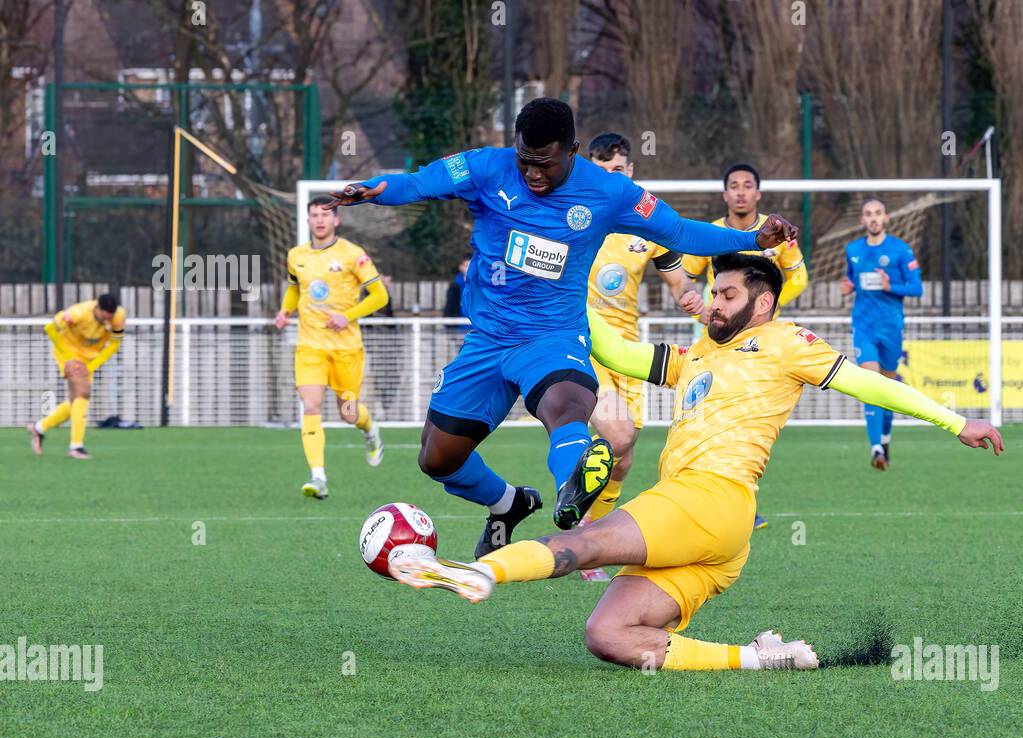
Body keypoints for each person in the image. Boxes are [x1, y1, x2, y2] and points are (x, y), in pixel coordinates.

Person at [388, 254, 1003, 672]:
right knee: (609, 636)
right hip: (714, 535)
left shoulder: (787, 342)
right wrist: (559, 307)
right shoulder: (698, 352)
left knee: (590, 542)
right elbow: (615, 352)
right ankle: (760, 658)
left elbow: (870, 385)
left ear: (761, 305)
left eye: (727, 294)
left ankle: (477, 573)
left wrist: (956, 422)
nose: (712, 301)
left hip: (712, 497)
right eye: (712, 291)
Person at [327, 98, 799, 557]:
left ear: (572, 151)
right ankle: (508, 504)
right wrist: (374, 189)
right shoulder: (487, 167)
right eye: (525, 161)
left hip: (554, 335)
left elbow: (678, 232)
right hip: (488, 339)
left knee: (565, 402)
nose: (533, 173)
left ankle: (573, 484)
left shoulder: (610, 192)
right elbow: (420, 182)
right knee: (436, 458)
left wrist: (750, 238)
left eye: (545, 164)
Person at [578, 132, 705, 581]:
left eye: (619, 170)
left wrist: (693, 299)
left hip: (627, 352)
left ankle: (588, 521)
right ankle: (582, 531)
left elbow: (679, 282)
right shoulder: (573, 212)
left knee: (625, 453)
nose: (611, 177)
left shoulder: (646, 223)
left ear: (631, 171)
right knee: (617, 435)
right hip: (580, 342)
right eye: (602, 169)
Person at [679, 163, 810, 531]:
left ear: (758, 193)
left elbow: (800, 276)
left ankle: (738, 497)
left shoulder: (777, 231)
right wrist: (695, 307)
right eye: (733, 186)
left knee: (749, 420)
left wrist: (770, 306)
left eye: (747, 185)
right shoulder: (711, 233)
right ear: (725, 195)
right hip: (716, 336)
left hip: (760, 341)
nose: (740, 192)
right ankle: (709, 495)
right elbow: (685, 280)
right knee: (707, 415)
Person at [275, 196, 390, 499]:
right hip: (310, 346)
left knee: (349, 413)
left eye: (325, 215)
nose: (320, 220)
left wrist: (347, 316)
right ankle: (318, 477)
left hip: (346, 349)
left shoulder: (353, 255)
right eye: (314, 215)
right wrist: (285, 311)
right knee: (311, 405)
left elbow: (380, 296)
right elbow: (293, 288)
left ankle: (370, 431)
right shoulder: (296, 255)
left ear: (336, 220)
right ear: (309, 220)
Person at [840, 198, 923, 470]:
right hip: (864, 327)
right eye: (868, 214)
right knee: (871, 384)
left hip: (891, 328)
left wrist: (891, 285)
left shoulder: (900, 250)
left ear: (886, 218)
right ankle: (875, 446)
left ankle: (885, 441)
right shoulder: (852, 250)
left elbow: (916, 288)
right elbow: (853, 279)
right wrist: (848, 286)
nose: (873, 218)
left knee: (887, 389)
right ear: (862, 220)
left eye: (877, 213)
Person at [27, 293, 126, 460]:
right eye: (104, 317)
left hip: (88, 359)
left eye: (110, 318)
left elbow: (114, 344)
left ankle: (38, 428)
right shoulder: (77, 313)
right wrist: (69, 358)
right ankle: (76, 448)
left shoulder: (118, 317)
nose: (108, 322)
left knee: (76, 403)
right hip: (68, 352)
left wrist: (90, 366)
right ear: (97, 309)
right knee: (83, 395)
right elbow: (50, 329)